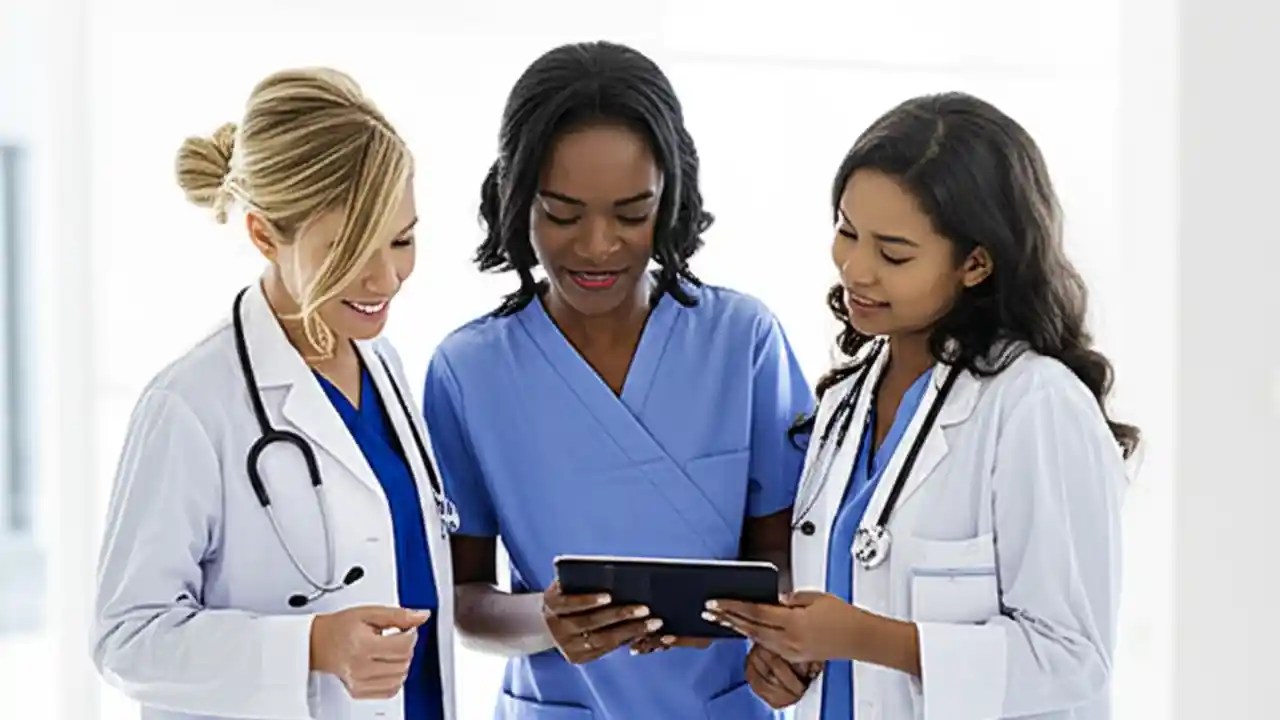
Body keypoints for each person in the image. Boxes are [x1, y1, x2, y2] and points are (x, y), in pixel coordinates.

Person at [705, 92, 1139, 720]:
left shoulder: (1035, 405)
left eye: (893, 253)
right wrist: (789, 666)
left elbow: (1072, 662)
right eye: (846, 232)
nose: (855, 269)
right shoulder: (845, 404)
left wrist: (863, 638)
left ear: (976, 262)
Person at [421, 41, 812, 718]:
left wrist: (765, 632)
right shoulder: (468, 372)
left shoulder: (743, 341)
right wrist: (546, 622)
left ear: (671, 199)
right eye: (563, 214)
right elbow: (461, 599)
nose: (598, 246)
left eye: (632, 214)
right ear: (518, 202)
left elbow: (787, 551)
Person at [91, 67, 457, 720]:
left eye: (402, 240)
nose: (387, 277)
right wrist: (310, 646)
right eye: (348, 249)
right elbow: (126, 639)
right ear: (264, 235)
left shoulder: (386, 364)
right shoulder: (191, 405)